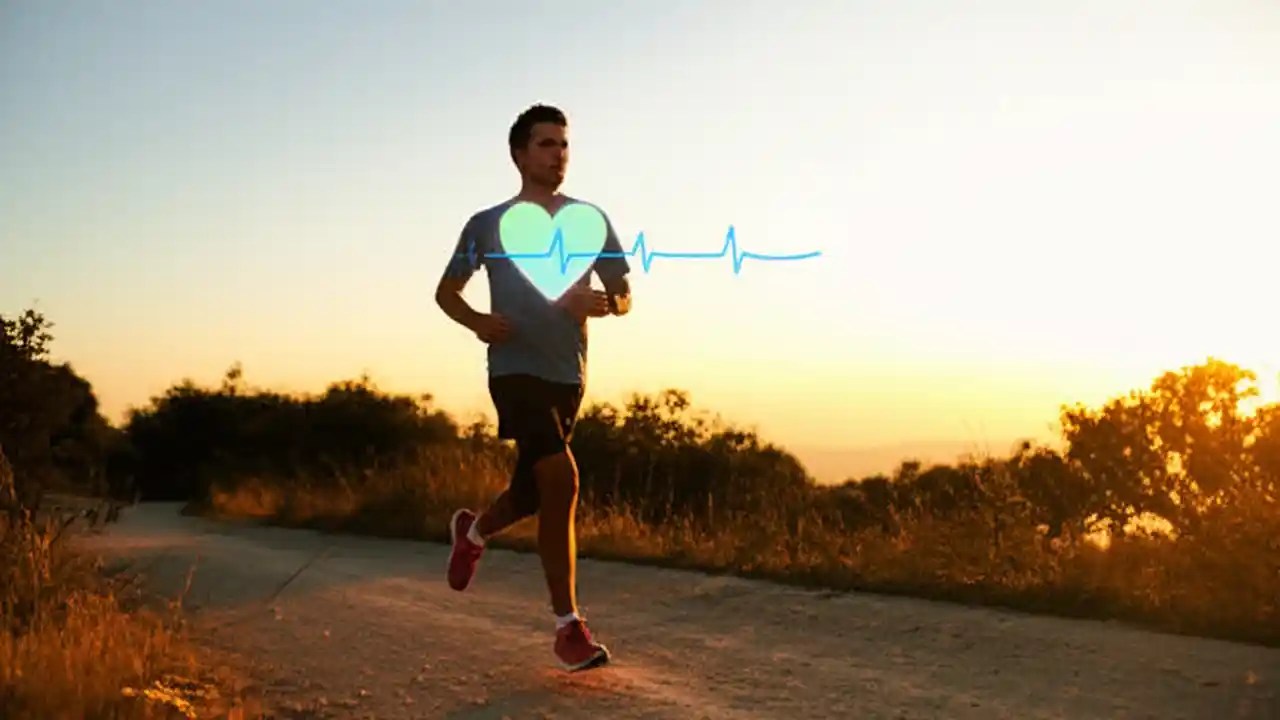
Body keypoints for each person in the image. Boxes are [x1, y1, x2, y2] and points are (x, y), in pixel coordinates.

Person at [434, 104, 633, 672]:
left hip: (567, 374)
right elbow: (447, 292)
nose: (558, 154)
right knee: (563, 477)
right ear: (519, 154)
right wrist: (477, 322)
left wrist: (604, 304)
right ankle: (568, 627)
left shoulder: (589, 221)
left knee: (533, 492)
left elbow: (624, 293)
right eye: (546, 144)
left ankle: (472, 531)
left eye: (564, 144)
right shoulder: (486, 224)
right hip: (513, 370)